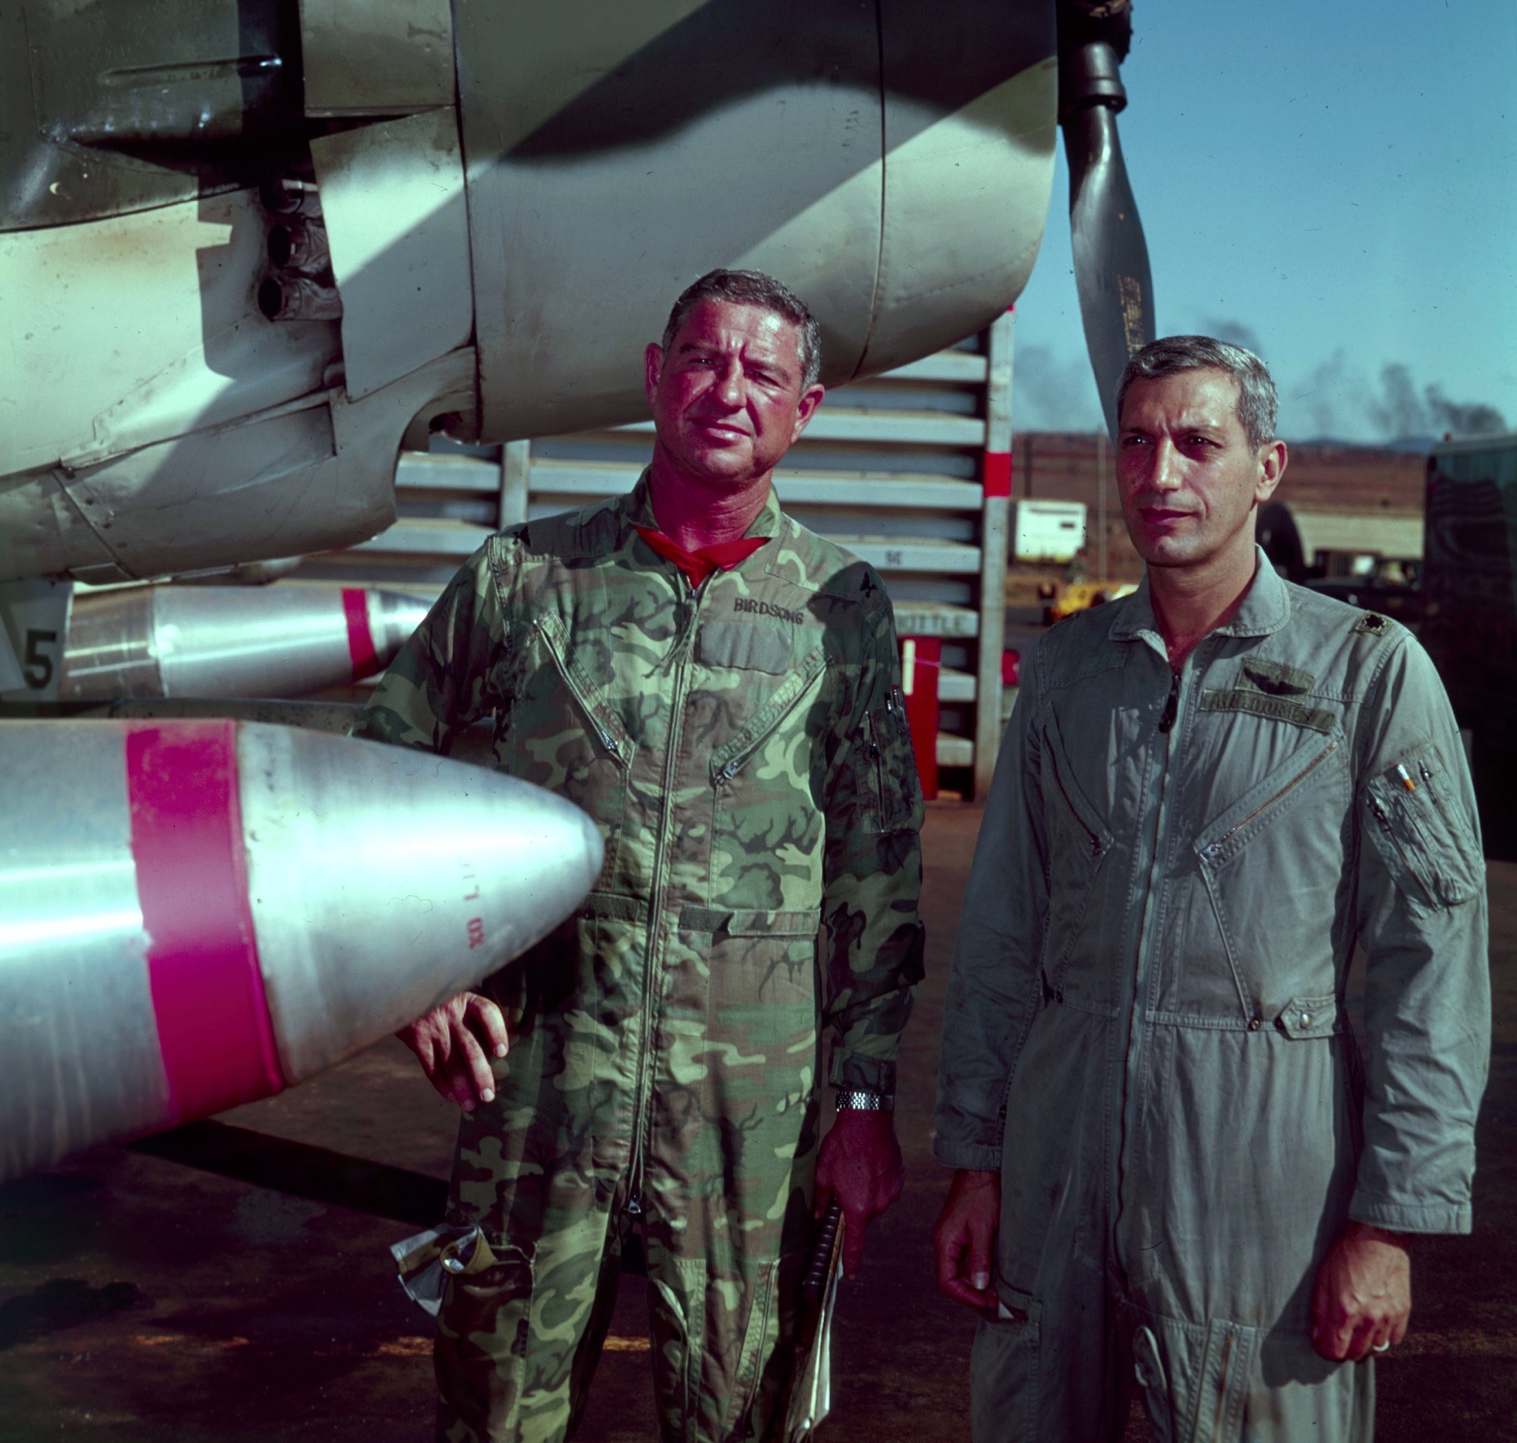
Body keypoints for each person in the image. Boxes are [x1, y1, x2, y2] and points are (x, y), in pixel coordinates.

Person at [359, 269, 924, 1443]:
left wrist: (860, 1100)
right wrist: (411, 973)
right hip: (540, 1086)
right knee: (496, 1397)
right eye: (704, 361)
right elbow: (377, 785)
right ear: (655, 375)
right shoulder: (525, 579)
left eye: (762, 372)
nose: (729, 391)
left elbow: (876, 871)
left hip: (745, 1110)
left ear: (802, 408)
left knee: (734, 1406)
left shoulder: (842, 608)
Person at [933, 335, 1489, 1443]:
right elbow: (1001, 933)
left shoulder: (1367, 671)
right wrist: (977, 1160)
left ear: (1266, 467)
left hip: (1261, 1177)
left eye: (1197, 442)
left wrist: (1387, 1221)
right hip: (1057, 1160)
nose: (1160, 473)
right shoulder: (1066, 670)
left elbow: (1427, 961)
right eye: (1135, 442)